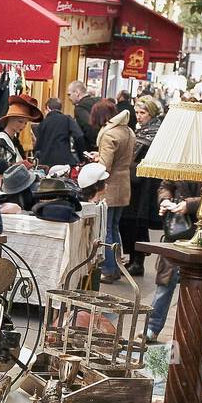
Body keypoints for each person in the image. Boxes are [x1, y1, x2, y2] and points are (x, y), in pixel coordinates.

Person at [145, 180, 202, 341]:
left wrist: (190, 204)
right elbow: (166, 185)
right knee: (166, 280)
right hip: (177, 230)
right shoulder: (182, 160)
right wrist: (165, 200)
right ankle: (152, 327)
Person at [120, 94, 164, 276]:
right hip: (137, 183)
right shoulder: (143, 130)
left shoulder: (155, 132)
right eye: (137, 112)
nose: (139, 116)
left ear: (151, 113)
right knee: (130, 222)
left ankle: (137, 261)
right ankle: (134, 259)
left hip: (145, 185)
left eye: (143, 112)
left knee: (136, 223)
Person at [96, 104, 135, 282]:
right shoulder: (128, 131)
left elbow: (105, 166)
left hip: (110, 185)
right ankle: (117, 266)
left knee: (106, 228)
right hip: (124, 184)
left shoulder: (109, 134)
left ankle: (109, 268)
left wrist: (96, 160)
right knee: (115, 227)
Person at [33, 97, 84, 167]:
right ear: (60, 108)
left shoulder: (42, 123)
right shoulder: (67, 119)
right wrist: (81, 157)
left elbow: (38, 146)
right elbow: (79, 136)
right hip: (64, 161)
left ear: (48, 108)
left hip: (46, 163)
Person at [69, 80, 98, 149]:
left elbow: (87, 126)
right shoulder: (98, 102)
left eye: (69, 94)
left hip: (89, 147)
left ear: (77, 92)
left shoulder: (80, 108)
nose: (69, 98)